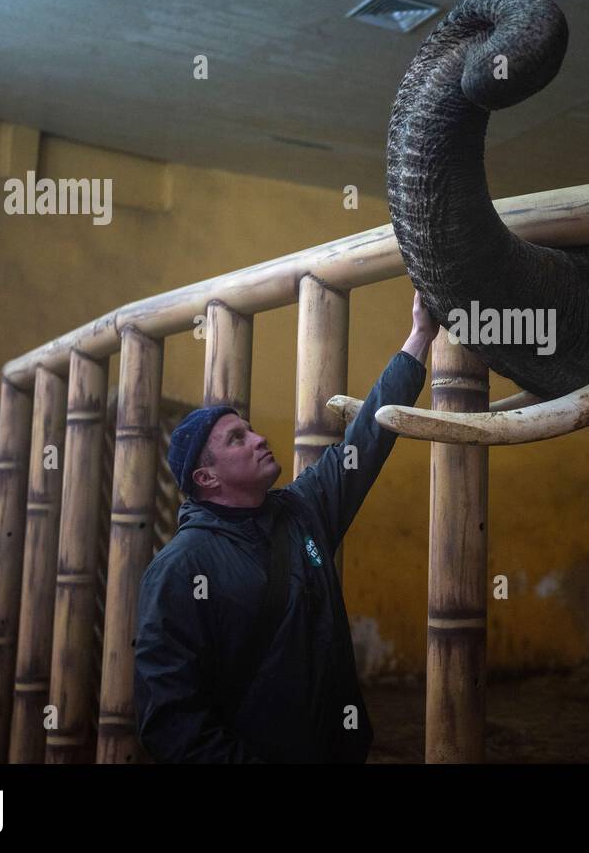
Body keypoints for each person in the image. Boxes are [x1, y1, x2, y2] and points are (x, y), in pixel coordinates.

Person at [133, 292, 437, 762]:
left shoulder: (302, 511)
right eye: (238, 439)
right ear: (206, 477)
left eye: (251, 429)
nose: (259, 439)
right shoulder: (180, 568)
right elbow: (171, 722)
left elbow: (367, 439)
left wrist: (420, 335)